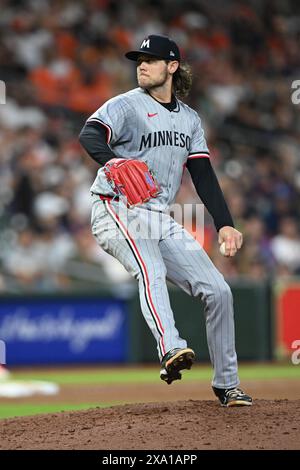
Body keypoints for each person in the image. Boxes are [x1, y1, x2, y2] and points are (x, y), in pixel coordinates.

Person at [79, 34, 252, 407]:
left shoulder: (189, 119)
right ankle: (171, 347)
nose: (141, 64)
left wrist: (224, 222)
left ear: (172, 66)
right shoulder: (126, 105)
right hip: (116, 206)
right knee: (151, 268)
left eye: (151, 59)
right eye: (139, 59)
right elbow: (90, 133)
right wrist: (113, 160)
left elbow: (203, 174)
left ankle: (227, 384)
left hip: (159, 215)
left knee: (218, 290)